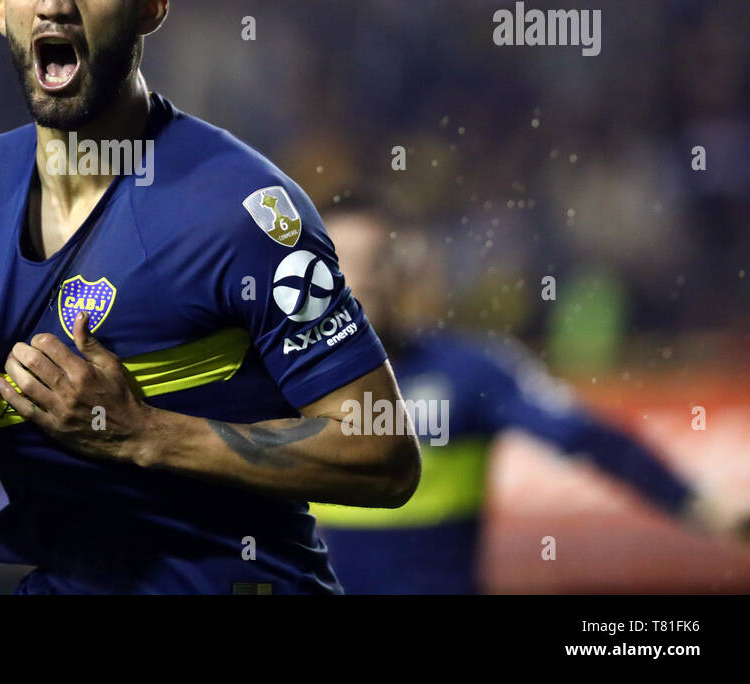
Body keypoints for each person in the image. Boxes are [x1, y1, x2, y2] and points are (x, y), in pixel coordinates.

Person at [0, 0, 420, 594]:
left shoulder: (240, 209)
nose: (53, 2)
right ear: (0, 6)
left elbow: (385, 454)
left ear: (151, 7)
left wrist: (144, 432)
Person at [311, 203, 750, 593]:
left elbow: (586, 436)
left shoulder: (470, 371)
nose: (362, 273)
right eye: (342, 258)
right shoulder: (280, 381)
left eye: (376, 258)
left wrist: (701, 506)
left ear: (404, 269)